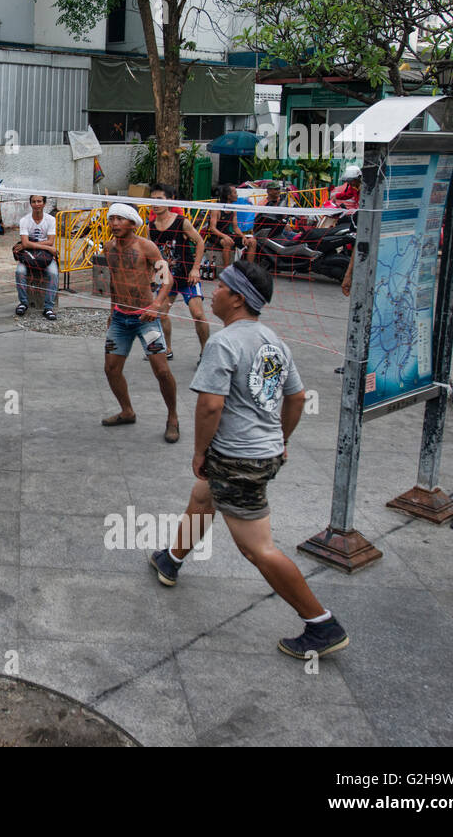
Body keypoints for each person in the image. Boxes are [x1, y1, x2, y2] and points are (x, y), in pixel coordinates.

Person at [149, 260, 350, 660]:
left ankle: (320, 623)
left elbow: (210, 406)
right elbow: (295, 398)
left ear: (237, 298)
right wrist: (281, 439)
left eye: (220, 286)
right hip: (262, 454)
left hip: (236, 458)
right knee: (203, 497)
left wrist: (200, 452)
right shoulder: (274, 340)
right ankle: (171, 559)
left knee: (257, 549)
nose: (213, 292)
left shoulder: (223, 343)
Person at [100, 202, 180, 443]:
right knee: (111, 369)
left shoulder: (147, 247)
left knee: (162, 370)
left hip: (146, 318)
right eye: (111, 218)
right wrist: (111, 312)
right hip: (120, 318)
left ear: (132, 222)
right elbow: (115, 281)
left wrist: (156, 306)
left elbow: (167, 279)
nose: (114, 223)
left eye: (120, 219)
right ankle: (127, 411)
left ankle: (173, 417)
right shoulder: (109, 248)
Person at [147, 184, 210, 360]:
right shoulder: (150, 227)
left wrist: (196, 268)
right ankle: (166, 348)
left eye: (159, 199)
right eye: (152, 200)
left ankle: (206, 351)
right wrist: (152, 274)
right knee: (161, 313)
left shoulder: (181, 222)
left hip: (186, 275)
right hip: (165, 277)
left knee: (197, 314)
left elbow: (200, 242)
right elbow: (150, 253)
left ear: (170, 200)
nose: (155, 203)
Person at [14, 194, 59, 321]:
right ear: (30, 204)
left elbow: (50, 241)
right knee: (19, 271)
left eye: (39, 201)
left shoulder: (51, 220)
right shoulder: (24, 220)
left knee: (54, 273)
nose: (37, 204)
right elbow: (25, 243)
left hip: (45, 256)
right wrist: (48, 247)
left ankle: (48, 307)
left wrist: (30, 245)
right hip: (29, 255)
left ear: (44, 203)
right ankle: (23, 302)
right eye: (34, 201)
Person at [206, 185, 257, 266]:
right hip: (215, 236)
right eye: (235, 193)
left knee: (252, 242)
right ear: (229, 196)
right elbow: (212, 228)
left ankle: (249, 270)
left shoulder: (233, 209)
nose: (237, 195)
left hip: (228, 234)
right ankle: (226, 272)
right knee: (227, 243)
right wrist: (224, 236)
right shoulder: (216, 209)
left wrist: (243, 236)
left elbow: (235, 228)